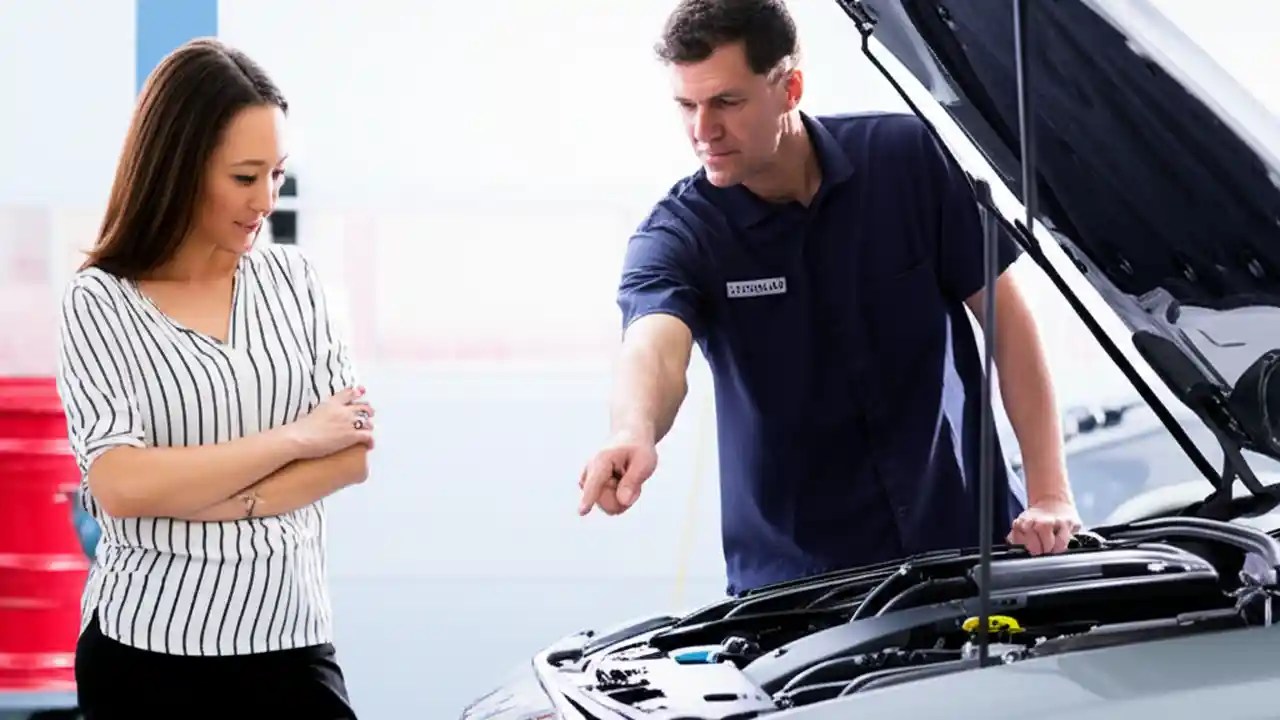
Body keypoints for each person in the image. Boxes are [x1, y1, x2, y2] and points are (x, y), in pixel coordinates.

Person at [577, 0, 1082, 597]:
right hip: (801, 594)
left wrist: (1050, 493)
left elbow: (1007, 322)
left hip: (969, 551)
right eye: (687, 106)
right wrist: (631, 430)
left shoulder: (909, 160)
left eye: (727, 103)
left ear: (789, 87)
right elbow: (654, 349)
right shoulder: (678, 235)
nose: (702, 131)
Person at [54, 38, 369, 718]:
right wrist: (294, 439)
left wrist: (217, 498)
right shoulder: (100, 301)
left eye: (278, 175)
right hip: (148, 653)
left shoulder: (297, 282)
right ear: (180, 168)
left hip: (291, 640)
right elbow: (120, 484)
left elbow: (349, 454)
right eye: (245, 176)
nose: (266, 199)